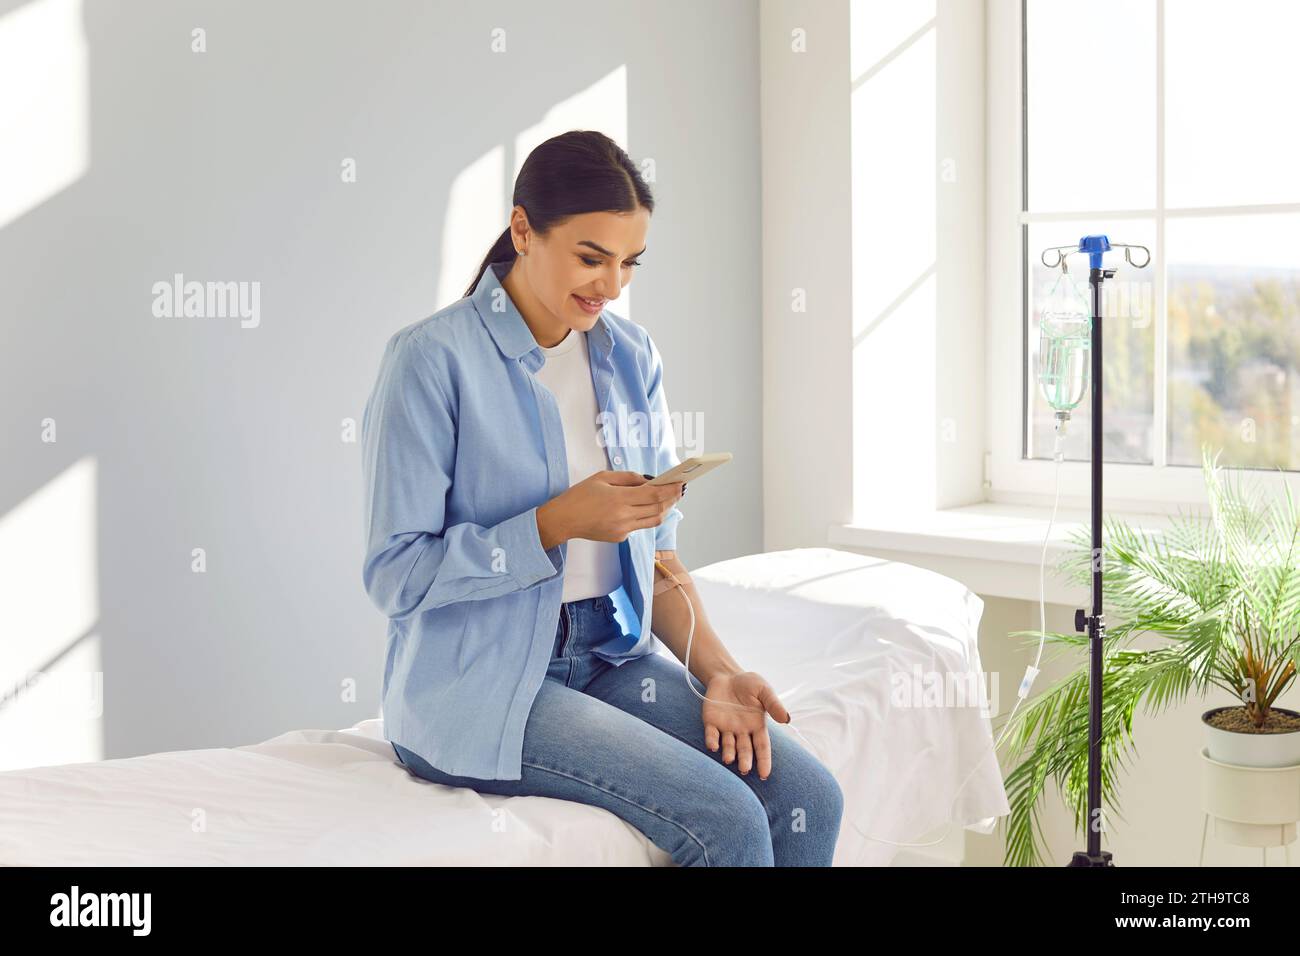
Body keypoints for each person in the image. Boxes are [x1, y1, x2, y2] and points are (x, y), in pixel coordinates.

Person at [360, 130, 843, 866]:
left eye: (628, 262)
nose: (611, 284)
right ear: (523, 229)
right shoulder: (432, 361)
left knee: (808, 798)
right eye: (592, 257)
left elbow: (659, 554)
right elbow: (396, 573)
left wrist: (718, 671)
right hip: (483, 679)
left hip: (612, 656)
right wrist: (555, 524)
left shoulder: (628, 355)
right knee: (730, 821)